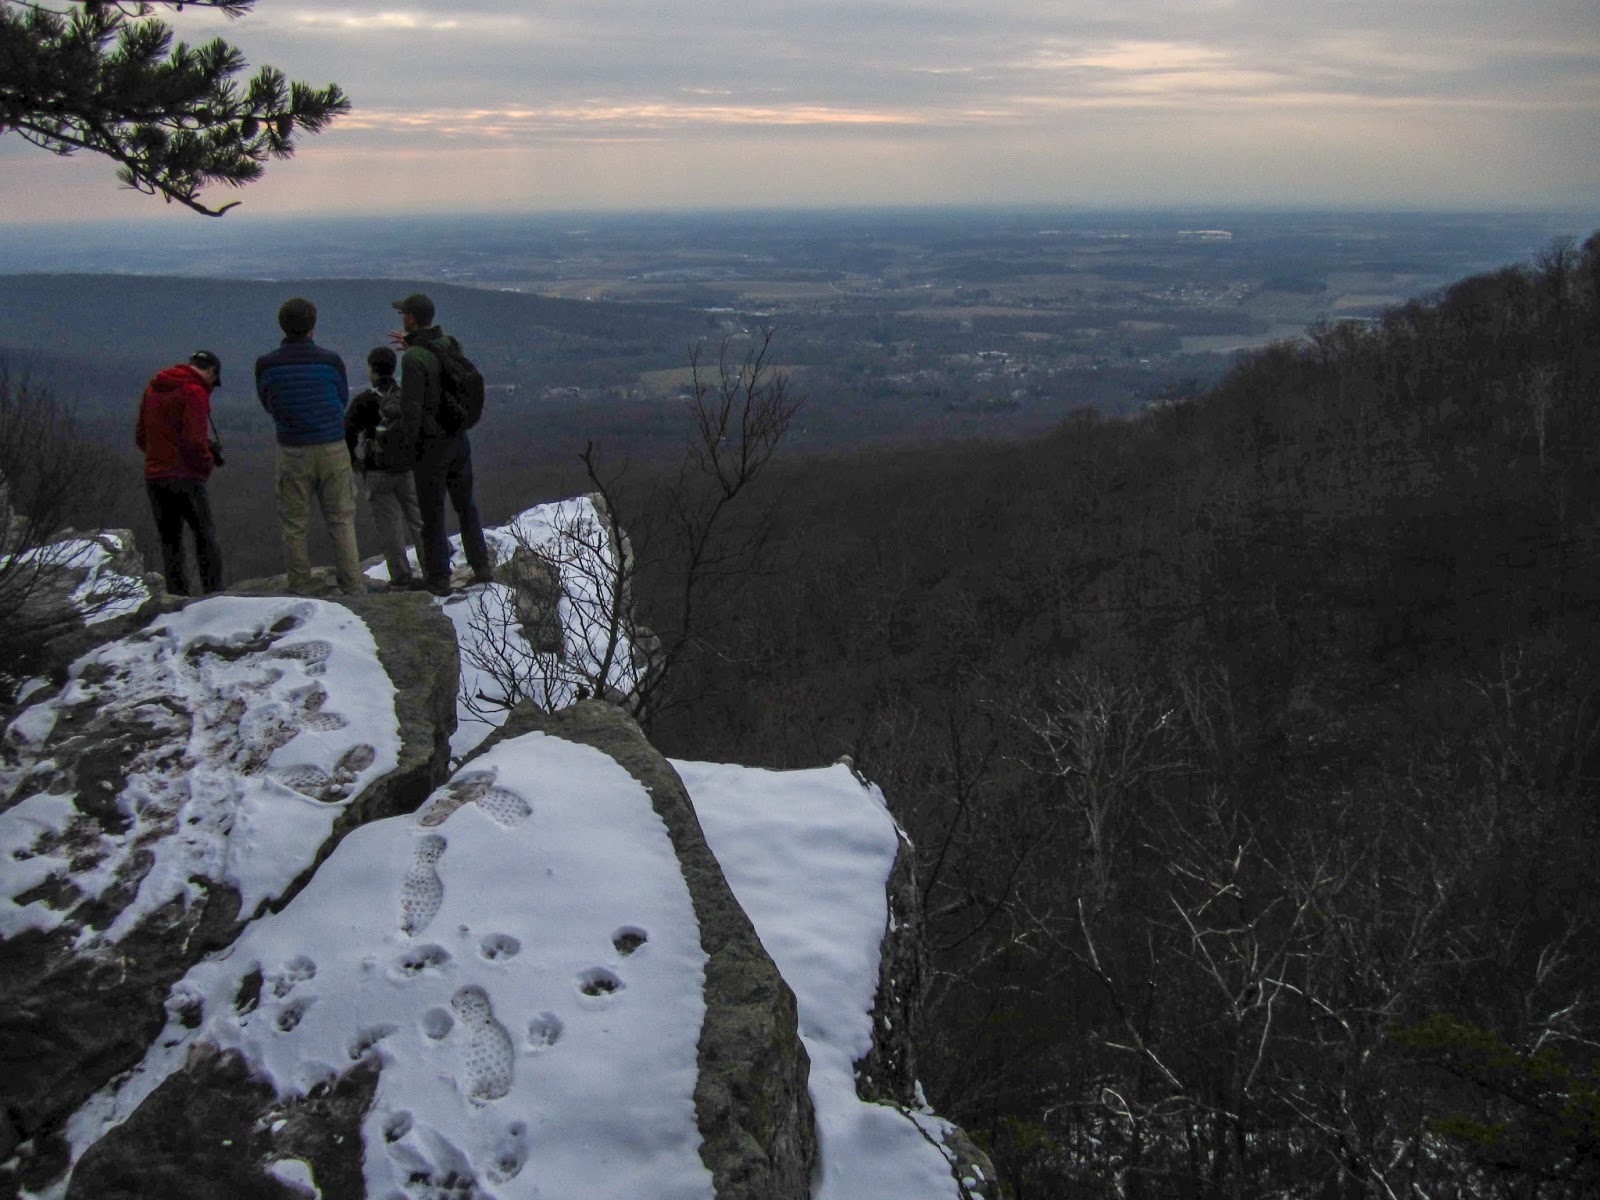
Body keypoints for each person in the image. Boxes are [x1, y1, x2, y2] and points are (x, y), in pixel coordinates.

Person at [255, 296, 366, 595]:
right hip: (332, 445)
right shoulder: (330, 361)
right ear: (312, 326)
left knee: (294, 523)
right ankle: (354, 586)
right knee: (342, 519)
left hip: (292, 448)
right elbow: (341, 399)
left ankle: (300, 583)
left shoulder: (266, 364)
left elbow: (269, 403)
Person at [390, 292, 492, 596]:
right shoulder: (449, 344)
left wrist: (406, 451)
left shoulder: (413, 359)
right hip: (459, 438)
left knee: (432, 514)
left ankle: (439, 578)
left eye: (403, 315)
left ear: (410, 318)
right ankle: (481, 565)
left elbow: (412, 411)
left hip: (431, 446)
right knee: (466, 505)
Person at [135, 349, 225, 595]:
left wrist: (159, 456)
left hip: (155, 477)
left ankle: (176, 597)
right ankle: (214, 595)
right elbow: (194, 440)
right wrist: (205, 462)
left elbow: (141, 436)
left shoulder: (153, 388)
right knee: (205, 536)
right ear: (210, 372)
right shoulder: (194, 392)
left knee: (170, 540)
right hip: (185, 476)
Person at [344, 345, 423, 588]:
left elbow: (347, 431)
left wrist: (354, 460)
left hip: (377, 472)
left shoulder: (364, 400)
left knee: (389, 527)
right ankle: (434, 569)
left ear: (372, 369)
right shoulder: (406, 396)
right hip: (408, 468)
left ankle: (401, 576)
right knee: (419, 521)